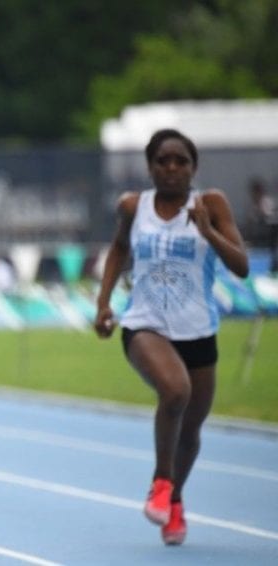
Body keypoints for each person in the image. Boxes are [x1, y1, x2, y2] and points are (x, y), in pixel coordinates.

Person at [94, 129, 249, 546]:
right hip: (145, 323)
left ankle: (175, 501)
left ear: (193, 167)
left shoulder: (210, 204)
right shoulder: (133, 206)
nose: (172, 168)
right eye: (163, 161)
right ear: (151, 167)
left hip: (198, 330)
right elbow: (118, 250)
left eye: (181, 161)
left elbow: (242, 266)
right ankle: (160, 483)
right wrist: (104, 303)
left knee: (192, 429)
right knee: (174, 391)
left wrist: (209, 232)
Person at [242, 176, 277, 272]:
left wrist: (262, 213)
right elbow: (249, 225)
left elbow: (270, 219)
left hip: (270, 240)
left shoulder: (267, 203)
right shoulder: (251, 207)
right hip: (257, 240)